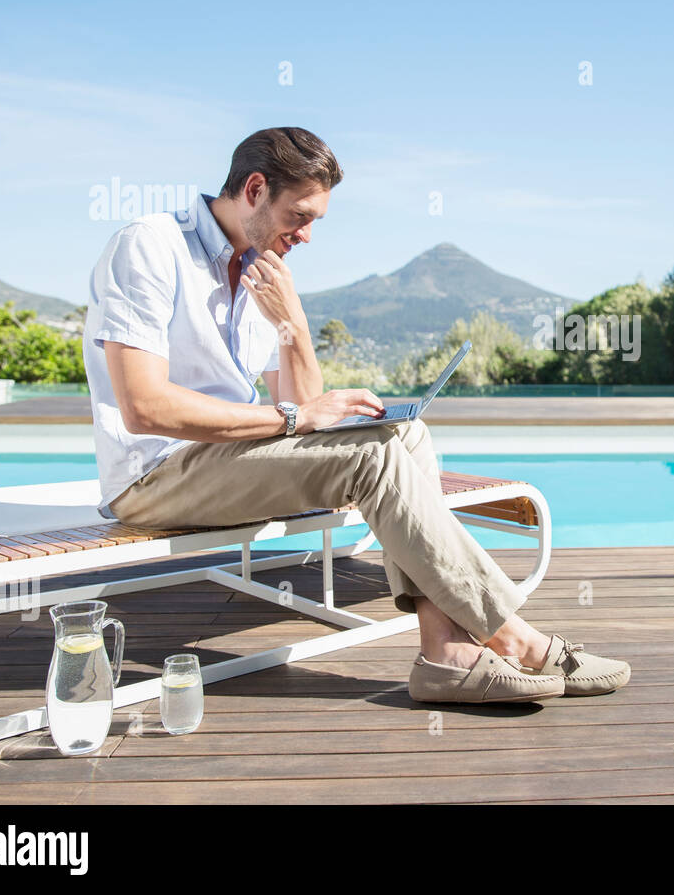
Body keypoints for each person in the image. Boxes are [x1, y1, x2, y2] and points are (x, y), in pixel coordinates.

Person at [82, 126, 629, 704]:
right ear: (255, 189)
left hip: (226, 463)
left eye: (315, 220)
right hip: (155, 476)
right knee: (371, 457)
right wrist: (294, 419)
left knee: (406, 435)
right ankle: (514, 638)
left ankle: (444, 651)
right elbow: (145, 407)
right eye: (299, 216)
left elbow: (304, 400)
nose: (307, 235)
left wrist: (292, 321)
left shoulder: (266, 271)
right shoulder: (151, 246)